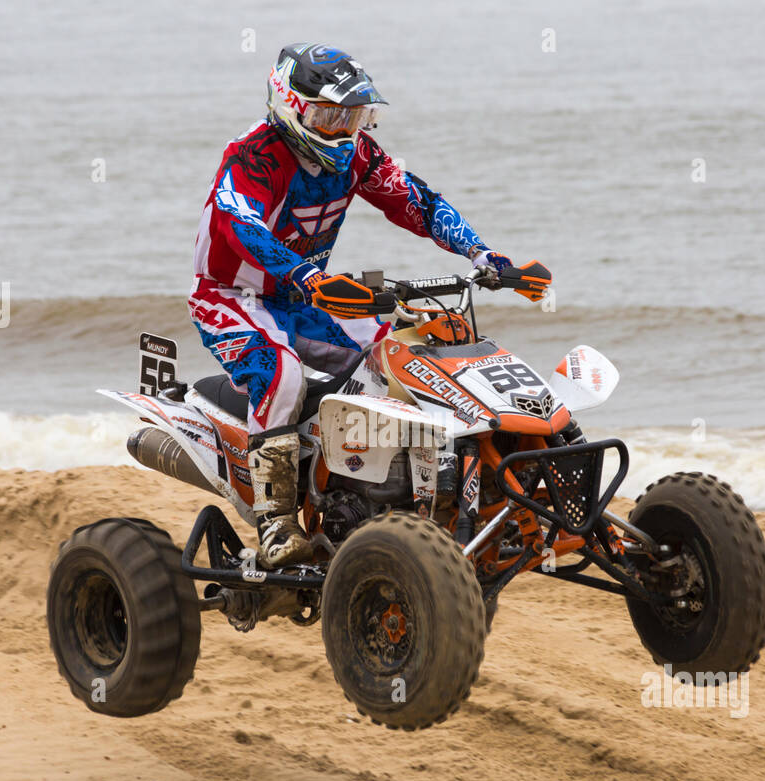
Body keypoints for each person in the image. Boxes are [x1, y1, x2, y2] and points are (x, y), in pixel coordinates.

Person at [189, 42, 518, 567]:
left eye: (354, 115)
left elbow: (415, 199)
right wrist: (304, 274)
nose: (344, 128)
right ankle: (276, 524)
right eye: (329, 114)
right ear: (291, 105)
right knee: (283, 374)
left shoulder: (358, 152)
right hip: (231, 296)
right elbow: (241, 225)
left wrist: (481, 251)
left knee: (399, 354)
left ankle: (382, 492)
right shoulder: (251, 156)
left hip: (303, 294)